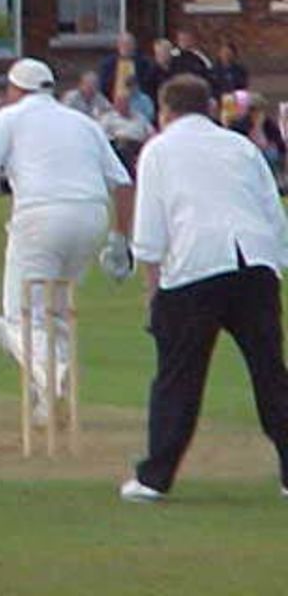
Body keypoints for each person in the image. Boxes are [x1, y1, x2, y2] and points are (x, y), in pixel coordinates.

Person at [120, 74, 288, 503]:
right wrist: (275, 265)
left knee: (178, 377)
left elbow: (150, 228)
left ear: (165, 110)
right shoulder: (240, 146)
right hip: (254, 262)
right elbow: (272, 209)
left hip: (195, 266)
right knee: (270, 373)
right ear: (209, 108)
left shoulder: (158, 149)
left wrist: (152, 291)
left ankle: (154, 478)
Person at [0, 58, 135, 421]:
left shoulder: (7, 118)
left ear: (17, 89)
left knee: (18, 318)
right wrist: (119, 239)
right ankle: (48, 404)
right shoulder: (83, 122)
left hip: (41, 217)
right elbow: (124, 183)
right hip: (91, 217)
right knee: (56, 312)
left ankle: (53, 374)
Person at [100, 90, 155, 175]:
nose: (123, 105)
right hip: (119, 145)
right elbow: (103, 136)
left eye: (125, 102)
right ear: (115, 104)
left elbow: (151, 132)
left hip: (139, 144)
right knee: (123, 146)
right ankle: (131, 174)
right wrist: (116, 138)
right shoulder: (108, 118)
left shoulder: (139, 117)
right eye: (119, 102)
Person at [98, 31, 153, 103]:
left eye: (129, 44)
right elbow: (103, 85)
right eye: (124, 44)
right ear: (118, 45)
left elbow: (148, 84)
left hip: (137, 102)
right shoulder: (108, 63)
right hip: (113, 101)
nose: (127, 47)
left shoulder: (143, 63)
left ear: (134, 46)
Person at [148, 38, 176, 103]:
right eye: (158, 53)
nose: (162, 55)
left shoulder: (178, 67)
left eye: (165, 52)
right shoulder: (151, 72)